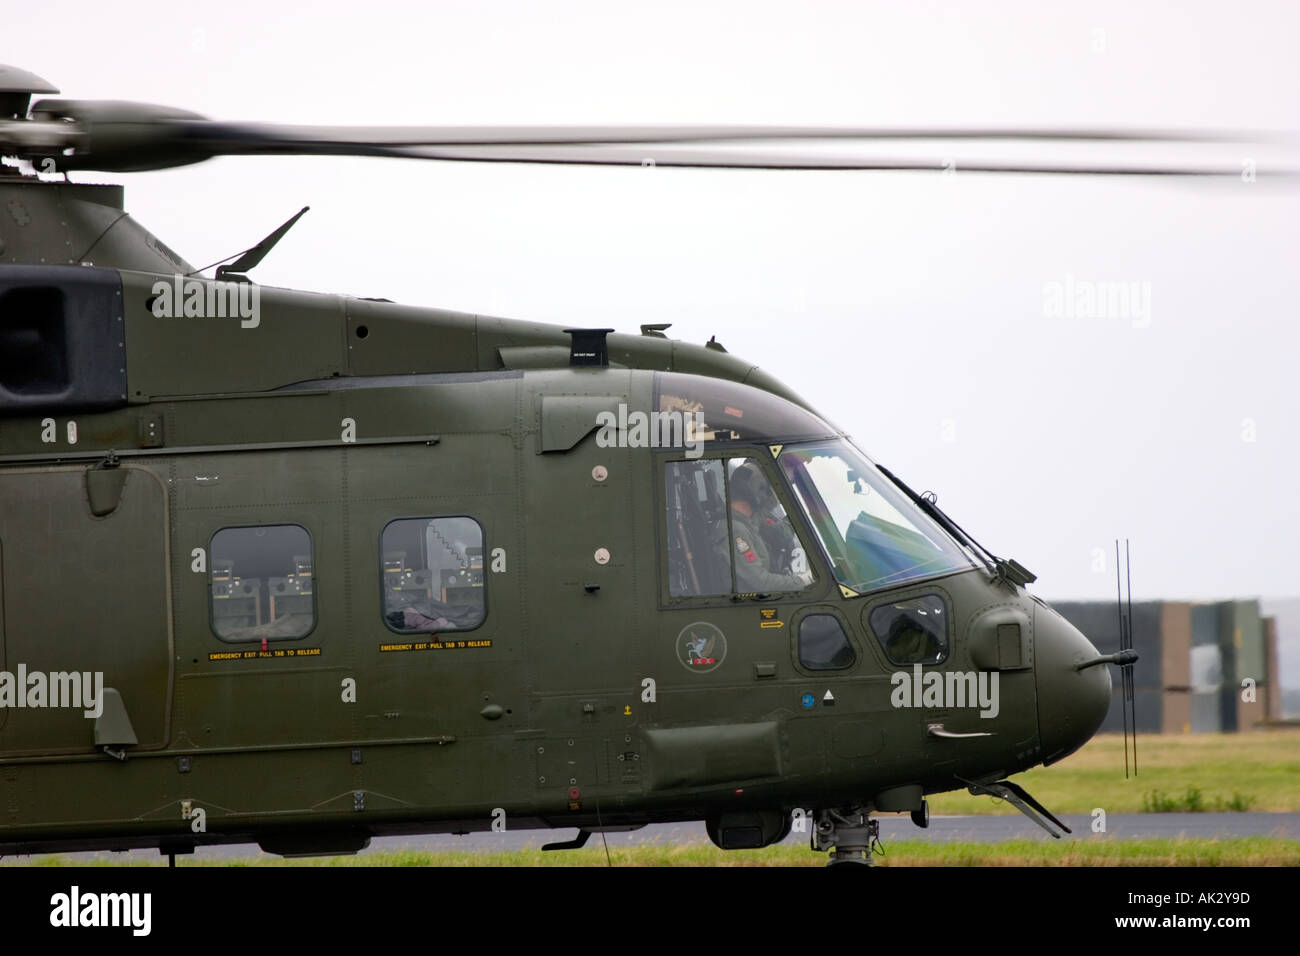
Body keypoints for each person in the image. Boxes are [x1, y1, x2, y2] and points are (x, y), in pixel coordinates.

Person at [726, 460, 813, 592]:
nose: (769, 494)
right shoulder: (736, 530)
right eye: (767, 490)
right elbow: (761, 582)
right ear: (756, 493)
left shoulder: (745, 521)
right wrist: (803, 580)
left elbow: (760, 514)